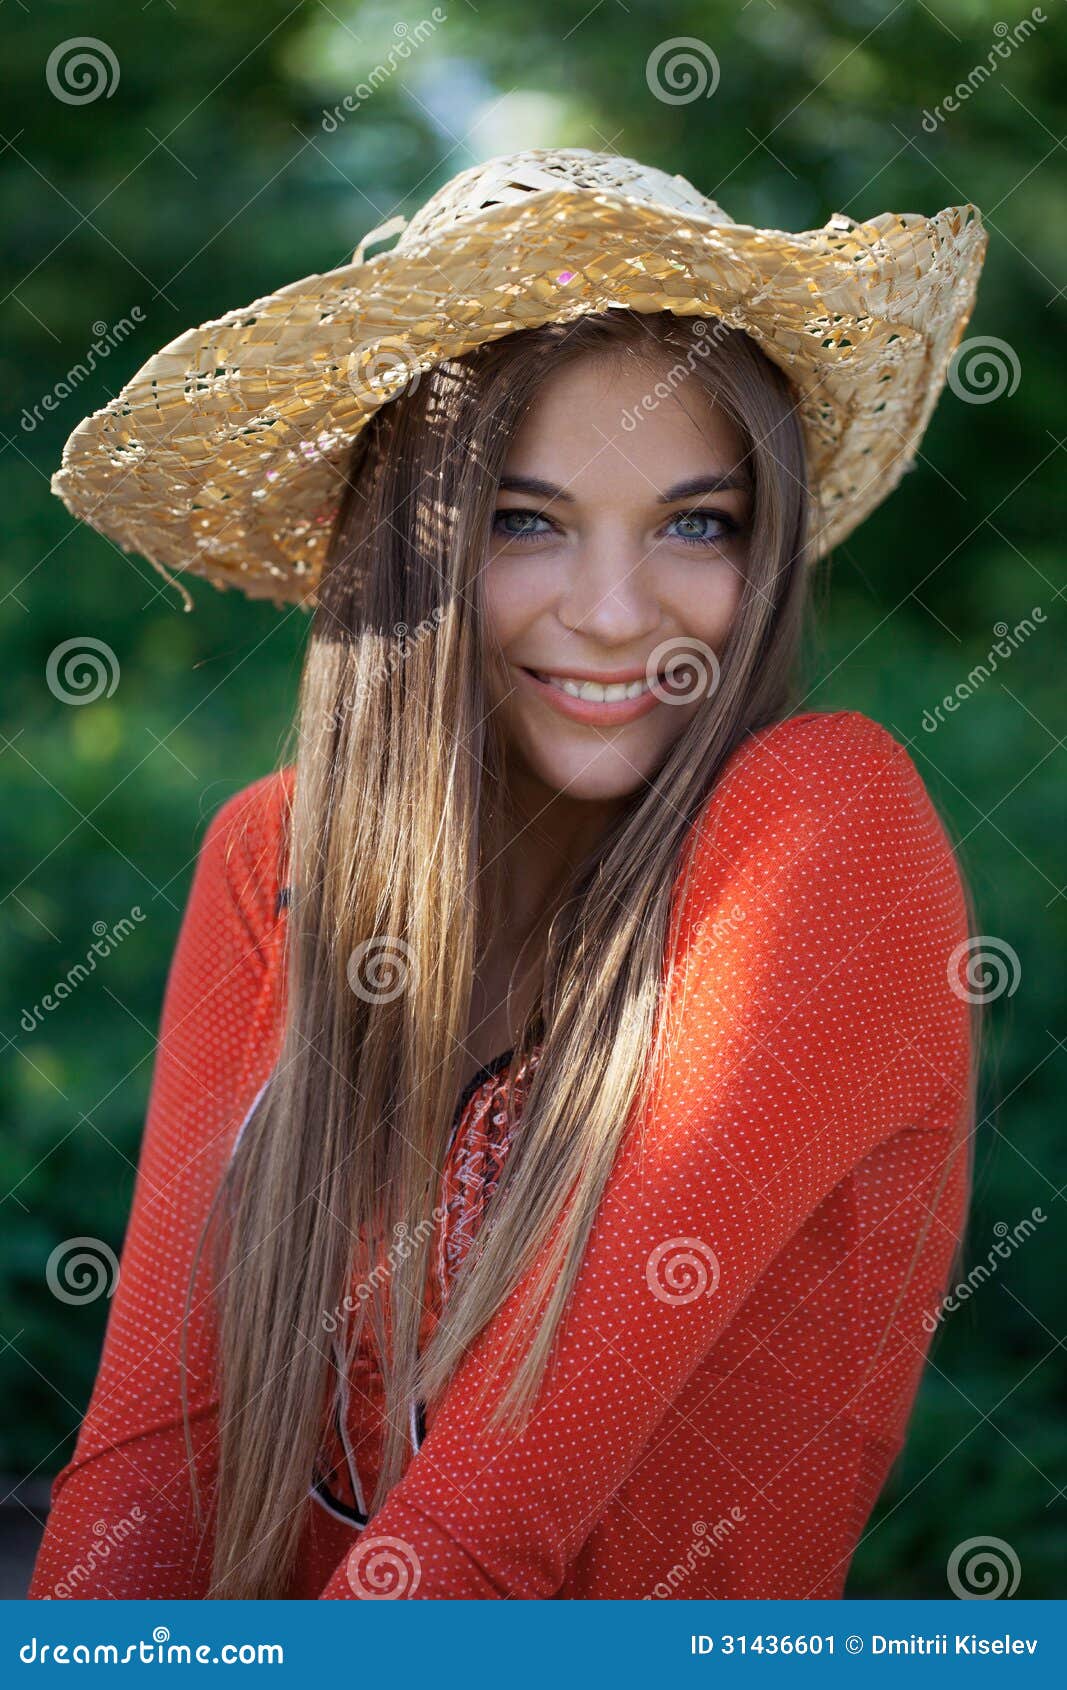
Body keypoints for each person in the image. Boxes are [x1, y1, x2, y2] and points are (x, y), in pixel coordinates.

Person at [30, 148, 988, 1601]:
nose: (614, 613)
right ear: (405, 555)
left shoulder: (828, 831)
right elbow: (150, 1472)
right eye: (523, 520)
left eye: (695, 522)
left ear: (766, 544)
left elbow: (480, 1546)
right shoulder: (274, 859)